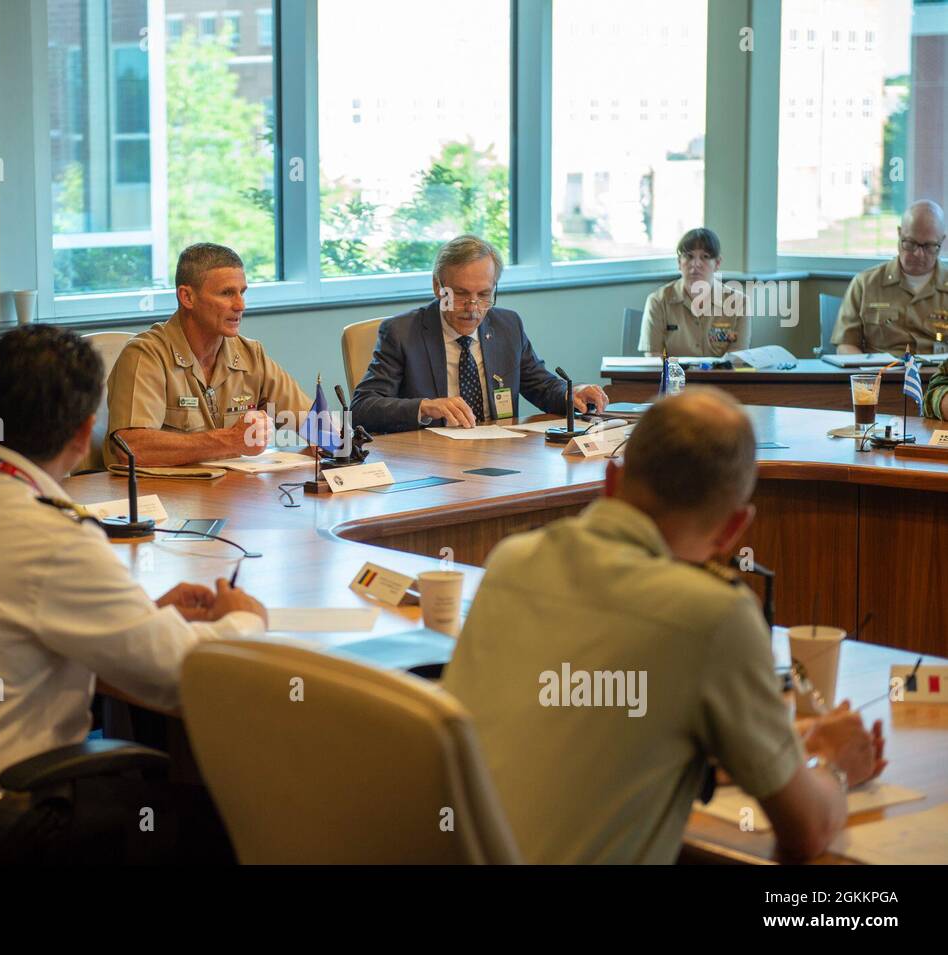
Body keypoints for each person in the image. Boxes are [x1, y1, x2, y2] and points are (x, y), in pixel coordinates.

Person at [444, 388, 886, 864]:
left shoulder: (513, 561)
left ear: (611, 480)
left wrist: (781, 750)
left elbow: (599, 743)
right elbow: (808, 831)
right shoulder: (713, 615)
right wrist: (834, 766)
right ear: (734, 528)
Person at [0, 325, 268, 861]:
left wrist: (143, 616)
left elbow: (12, 611)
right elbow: (178, 679)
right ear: (86, 431)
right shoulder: (54, 536)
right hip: (9, 811)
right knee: (226, 822)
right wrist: (243, 619)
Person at [350, 235, 608, 433]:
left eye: (484, 295)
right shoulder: (402, 333)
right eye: (461, 294)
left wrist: (571, 393)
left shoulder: (507, 325)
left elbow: (541, 386)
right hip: (429, 459)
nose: (473, 308)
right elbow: (362, 407)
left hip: (498, 455)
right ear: (438, 287)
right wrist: (425, 407)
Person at [105, 243, 311, 467]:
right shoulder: (146, 355)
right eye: (226, 293)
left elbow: (317, 425)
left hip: (230, 487)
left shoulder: (251, 355)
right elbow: (131, 448)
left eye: (242, 292)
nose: (240, 305)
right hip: (161, 489)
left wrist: (336, 442)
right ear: (187, 297)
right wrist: (230, 441)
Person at [833, 200, 948, 354]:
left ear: (942, 241)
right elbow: (846, 344)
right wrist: (864, 369)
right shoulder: (865, 284)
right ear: (899, 234)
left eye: (929, 246)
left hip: (937, 369)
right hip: (881, 368)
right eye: (910, 243)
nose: (918, 254)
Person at [639, 228, 749, 357]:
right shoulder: (658, 301)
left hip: (720, 371)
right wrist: (678, 371)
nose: (695, 264)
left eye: (705, 257)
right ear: (679, 262)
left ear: (717, 264)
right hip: (673, 370)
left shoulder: (739, 303)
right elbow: (654, 356)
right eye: (689, 256)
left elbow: (736, 359)